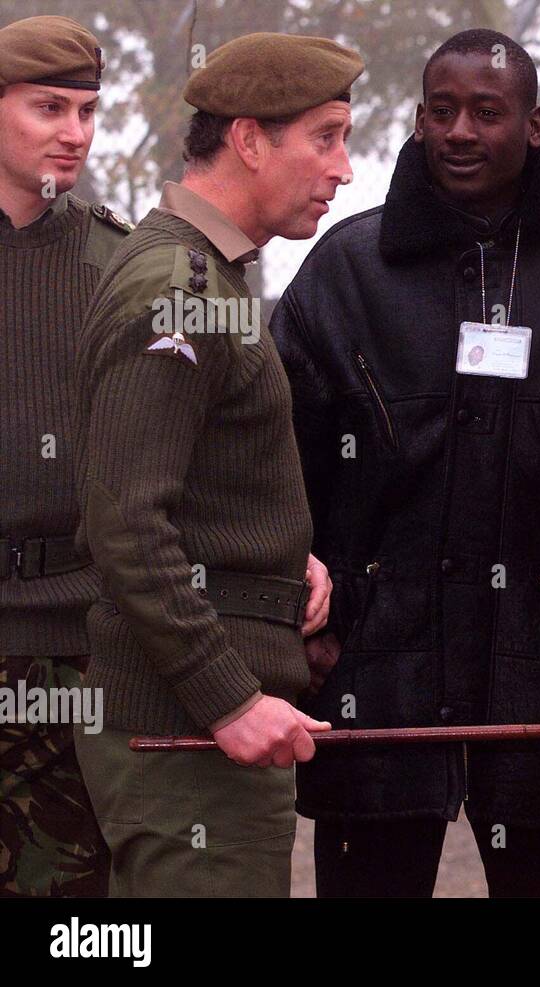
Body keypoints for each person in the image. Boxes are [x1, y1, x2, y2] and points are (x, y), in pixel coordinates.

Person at [270, 28, 540, 899]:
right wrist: (305, 618)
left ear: (534, 125)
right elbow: (276, 464)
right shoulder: (346, 269)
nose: (459, 131)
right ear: (416, 122)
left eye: (486, 112)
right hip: (372, 677)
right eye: (441, 111)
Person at [72, 32, 359, 897]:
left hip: (196, 729)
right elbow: (125, 519)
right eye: (327, 136)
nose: (344, 169)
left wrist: (277, 558)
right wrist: (229, 698)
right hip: (187, 735)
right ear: (248, 139)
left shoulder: (213, 279)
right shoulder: (181, 288)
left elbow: (183, 488)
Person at [0, 13, 123, 897]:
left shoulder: (118, 265)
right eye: (50, 107)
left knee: (74, 920)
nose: (74, 133)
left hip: (71, 651)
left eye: (86, 111)